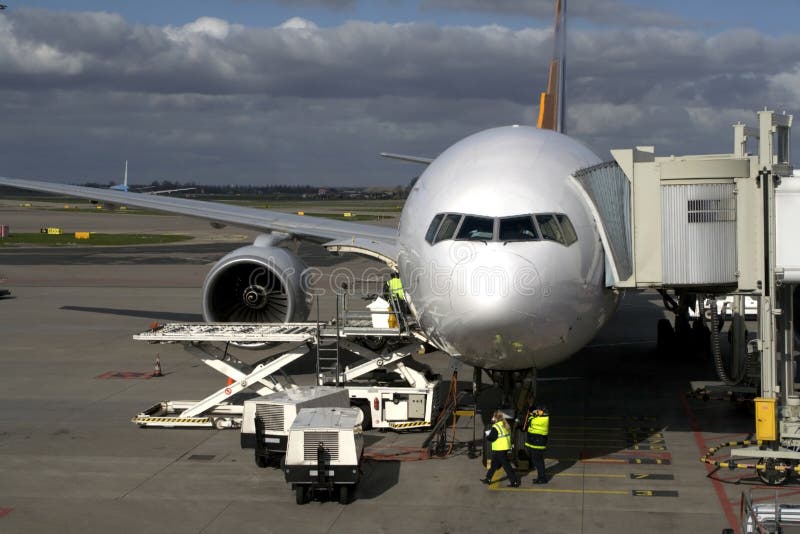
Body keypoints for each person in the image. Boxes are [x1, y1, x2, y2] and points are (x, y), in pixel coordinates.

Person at [480, 410, 521, 487]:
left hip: (500, 449)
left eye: (493, 416)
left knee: (507, 466)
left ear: (496, 417)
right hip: (504, 448)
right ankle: (488, 478)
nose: (492, 418)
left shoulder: (496, 427)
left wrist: (487, 434)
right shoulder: (504, 424)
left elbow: (491, 438)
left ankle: (514, 481)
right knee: (494, 465)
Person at [525, 403, 550, 484]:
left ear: (543, 412)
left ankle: (542, 478)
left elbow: (530, 421)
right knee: (539, 462)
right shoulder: (544, 417)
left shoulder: (541, 420)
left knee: (538, 462)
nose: (537, 411)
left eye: (539, 410)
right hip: (538, 443)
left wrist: (532, 414)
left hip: (537, 445)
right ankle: (540, 477)